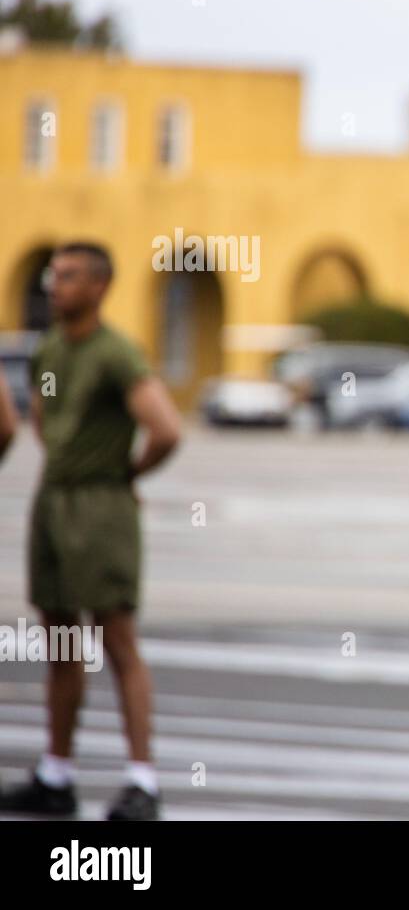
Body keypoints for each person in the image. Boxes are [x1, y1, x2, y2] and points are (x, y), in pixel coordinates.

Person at [0, 242, 182, 821]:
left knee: (118, 643)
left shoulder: (116, 353)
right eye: (53, 275)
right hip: (54, 502)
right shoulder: (50, 349)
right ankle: (56, 774)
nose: (55, 285)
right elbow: (40, 415)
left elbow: (165, 428)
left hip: (101, 506)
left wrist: (124, 473)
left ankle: (142, 781)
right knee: (60, 644)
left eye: (70, 276)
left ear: (100, 286)